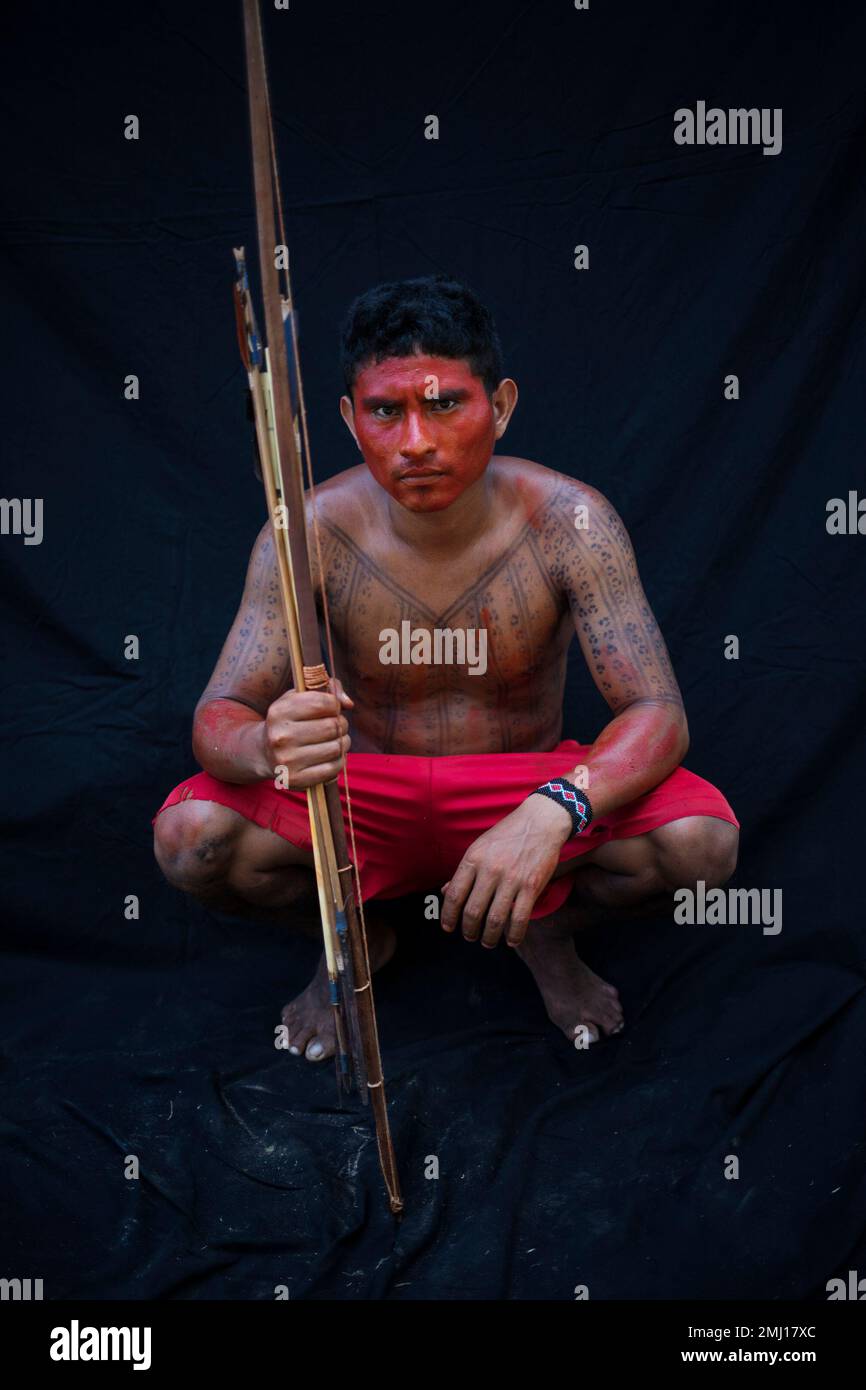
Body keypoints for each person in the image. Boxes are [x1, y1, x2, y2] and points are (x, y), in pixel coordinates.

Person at [153, 275, 739, 1060]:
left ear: (498, 406)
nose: (416, 441)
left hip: (521, 786)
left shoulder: (572, 522)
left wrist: (555, 807)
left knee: (702, 845)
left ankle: (545, 925)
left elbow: (658, 712)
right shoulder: (308, 532)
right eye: (386, 411)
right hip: (364, 796)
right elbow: (219, 712)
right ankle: (354, 943)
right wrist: (268, 745)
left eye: (445, 405)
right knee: (189, 838)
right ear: (348, 419)